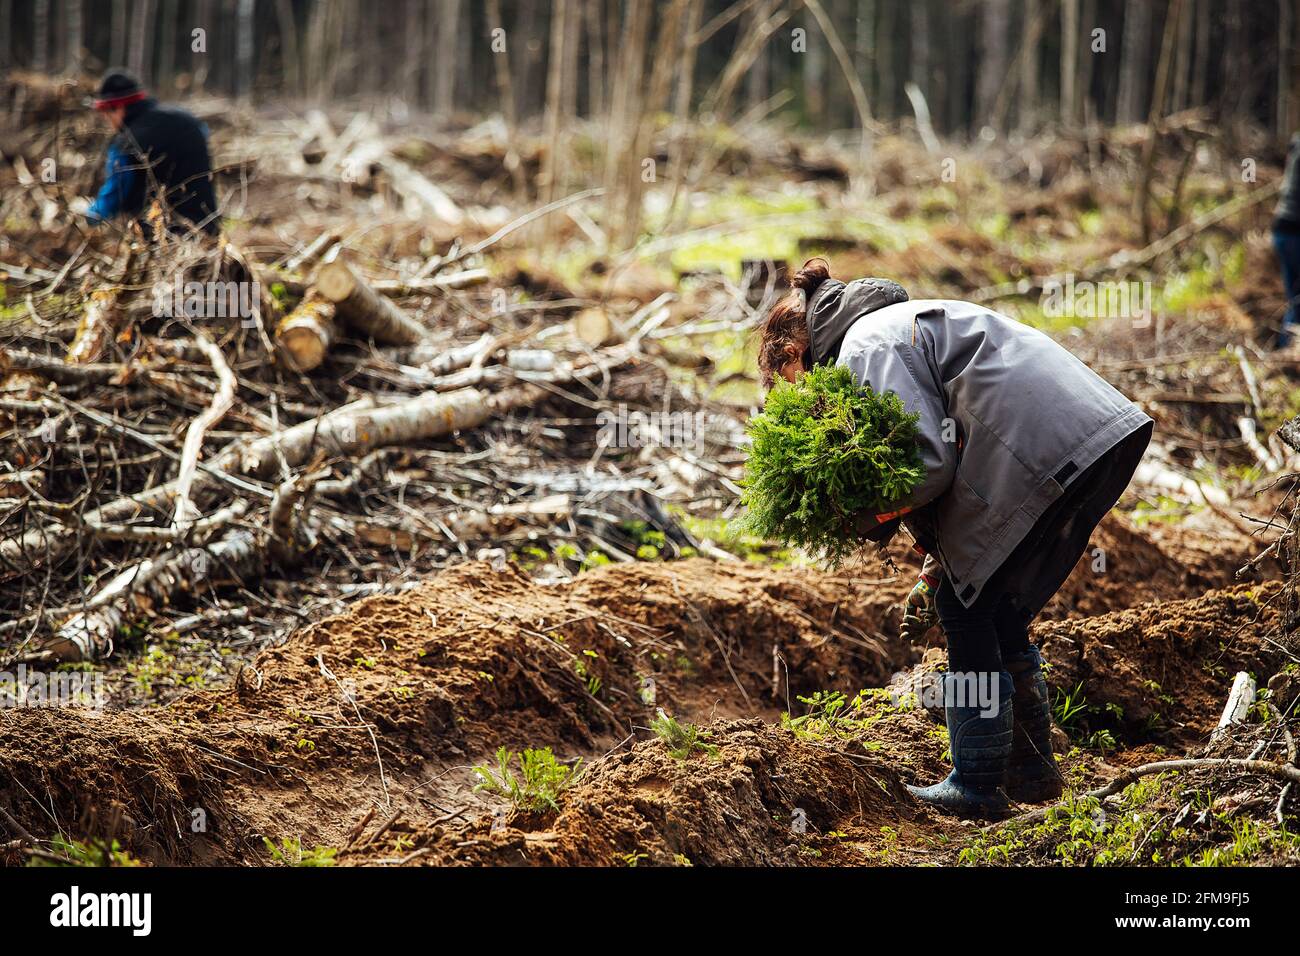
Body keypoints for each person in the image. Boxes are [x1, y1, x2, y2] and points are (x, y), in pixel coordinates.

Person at [757, 259, 1153, 818]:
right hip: (1086, 438)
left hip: (1043, 451)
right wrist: (934, 559)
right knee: (993, 606)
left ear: (793, 353)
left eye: (787, 384)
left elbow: (926, 464)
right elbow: (948, 447)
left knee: (963, 610)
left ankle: (977, 782)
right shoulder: (893, 326)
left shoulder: (864, 348)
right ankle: (1032, 769)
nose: (800, 399)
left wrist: (867, 515)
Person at [83, 69, 220, 237]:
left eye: (106, 114)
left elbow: (116, 193)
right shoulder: (187, 121)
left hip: (163, 238)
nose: (106, 120)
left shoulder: (126, 143)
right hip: (207, 229)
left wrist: (91, 215)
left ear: (118, 108)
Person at [1275, 132, 1300, 348]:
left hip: (1283, 227)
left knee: (1295, 298)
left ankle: (1286, 350)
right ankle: (1289, 354)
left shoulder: (1296, 142)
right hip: (1294, 230)